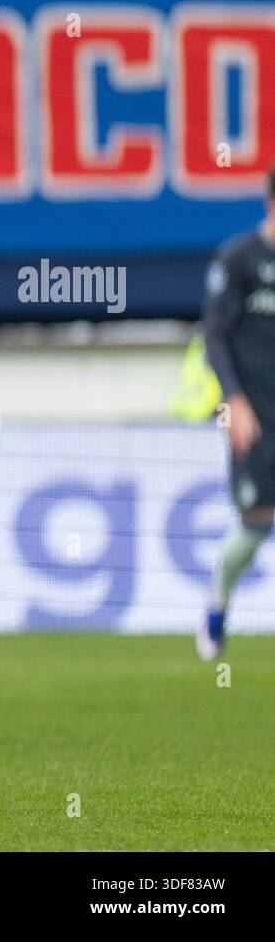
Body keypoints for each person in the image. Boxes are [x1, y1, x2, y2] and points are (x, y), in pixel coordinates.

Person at [197, 164, 275, 660]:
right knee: (255, 522)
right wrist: (234, 400)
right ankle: (218, 603)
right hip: (256, 417)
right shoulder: (239, 259)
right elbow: (216, 336)